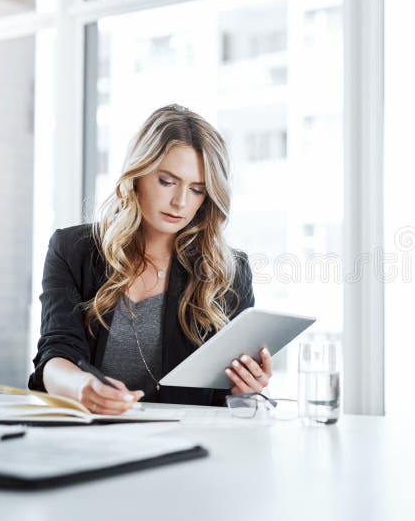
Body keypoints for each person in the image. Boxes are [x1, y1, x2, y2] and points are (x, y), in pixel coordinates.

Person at [28, 104, 272, 414]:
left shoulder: (229, 271)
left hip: (187, 446)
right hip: (90, 437)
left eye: (197, 189)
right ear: (138, 174)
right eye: (167, 182)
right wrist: (81, 388)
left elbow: (224, 401)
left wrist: (244, 388)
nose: (180, 202)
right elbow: (55, 352)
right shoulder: (73, 249)